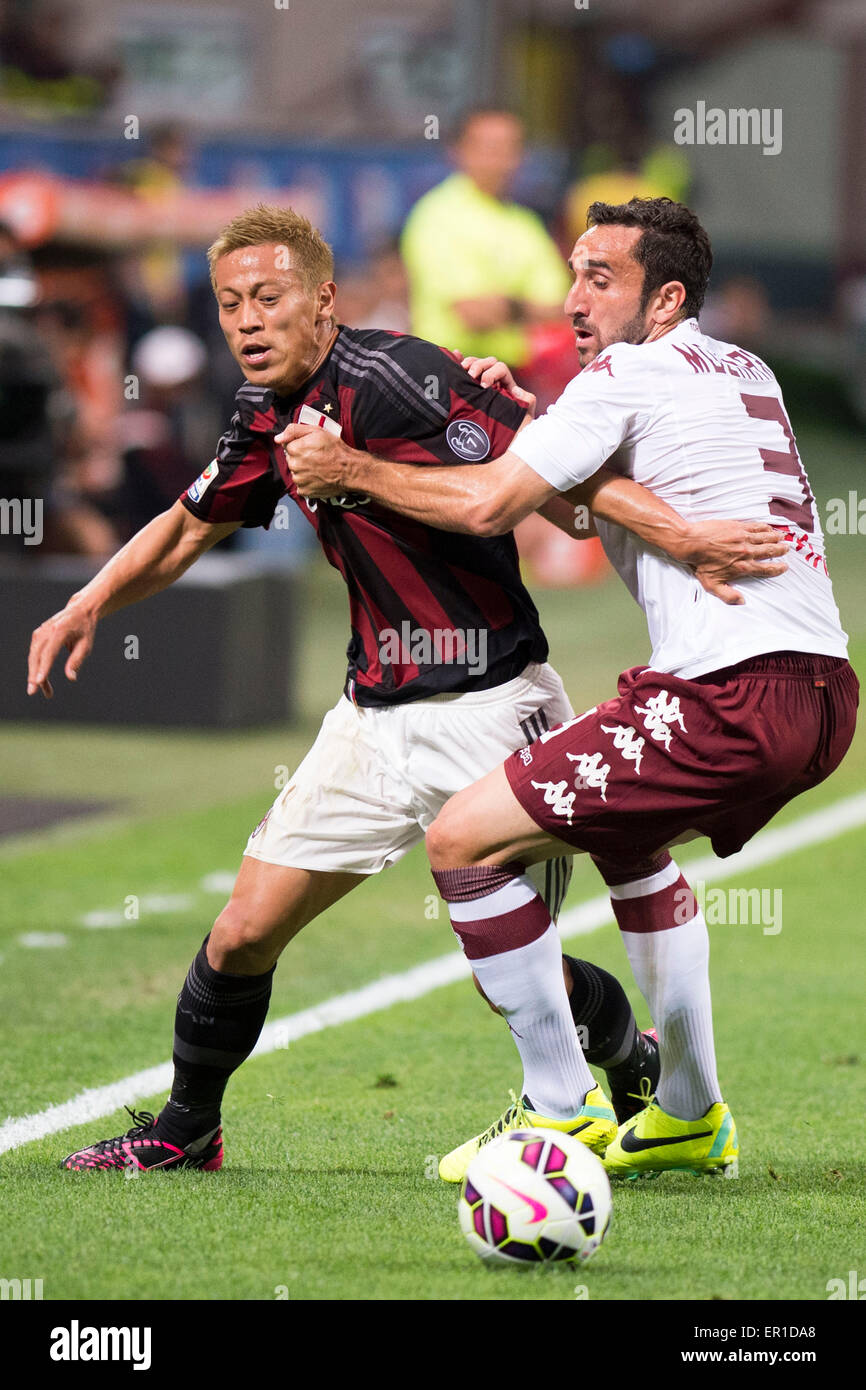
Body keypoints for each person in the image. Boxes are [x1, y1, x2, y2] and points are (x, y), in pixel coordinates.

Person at [28, 203, 786, 1174]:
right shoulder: (264, 412)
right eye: (230, 304)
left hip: (490, 704)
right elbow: (187, 525)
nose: (248, 320)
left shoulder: (405, 376)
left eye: (269, 297)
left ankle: (592, 1096)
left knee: (519, 968)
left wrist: (678, 533)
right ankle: (187, 1129)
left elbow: (568, 481)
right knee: (242, 932)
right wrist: (88, 601)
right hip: (368, 717)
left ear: (323, 302)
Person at [282, 196, 858, 1182]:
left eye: (600, 277)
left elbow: (484, 505)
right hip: (821, 693)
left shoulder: (626, 373)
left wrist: (351, 468)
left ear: (664, 295)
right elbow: (592, 508)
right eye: (573, 271)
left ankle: (560, 1110)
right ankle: (683, 1112)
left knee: (461, 838)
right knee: (625, 837)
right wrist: (530, 417)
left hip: (724, 693)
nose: (572, 297)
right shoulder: (741, 367)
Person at [401, 108, 570, 369]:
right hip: (450, 374)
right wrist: (526, 310)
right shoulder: (437, 215)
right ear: (458, 151)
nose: (501, 158)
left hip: (513, 374)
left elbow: (563, 309)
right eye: (489, 147)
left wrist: (507, 307)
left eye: (510, 147)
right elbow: (474, 314)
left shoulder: (526, 223)